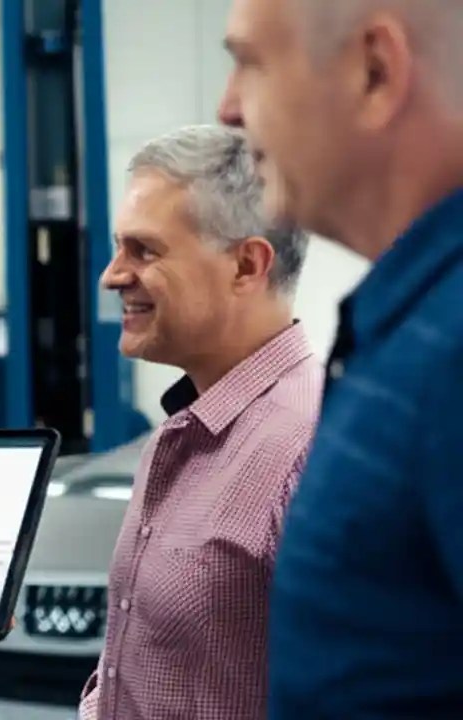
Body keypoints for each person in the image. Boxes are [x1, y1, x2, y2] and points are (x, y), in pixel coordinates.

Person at [218, 1, 463, 716]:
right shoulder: (416, 323)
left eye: (251, 63)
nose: (227, 107)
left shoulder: (451, 353)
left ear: (374, 71)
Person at [77, 125, 322, 720]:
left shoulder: (311, 451)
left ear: (246, 264)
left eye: (144, 251)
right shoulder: (177, 438)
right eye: (117, 247)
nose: (112, 275)